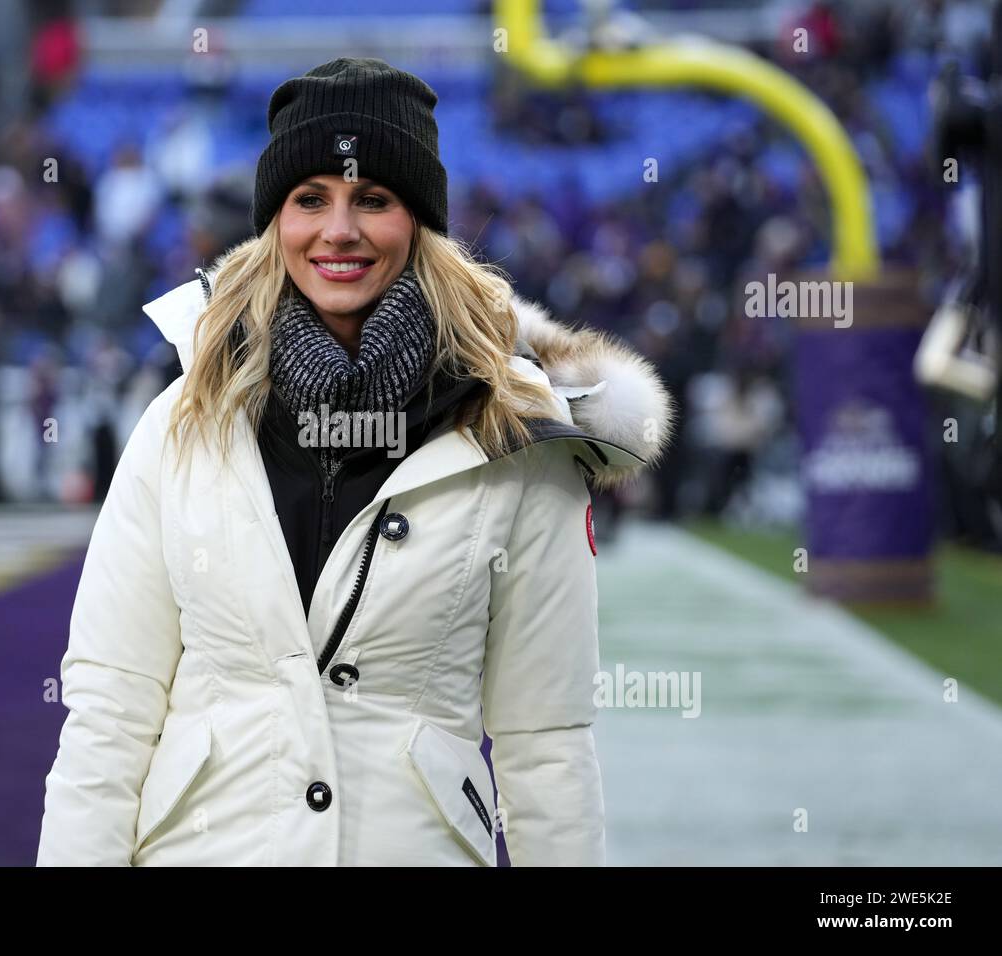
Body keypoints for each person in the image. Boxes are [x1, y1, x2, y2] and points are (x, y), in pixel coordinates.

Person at [38, 58, 674, 867]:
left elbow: (545, 742)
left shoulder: (518, 437)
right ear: (274, 221)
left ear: (421, 223)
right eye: (311, 200)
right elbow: (109, 712)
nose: (339, 230)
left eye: (373, 199)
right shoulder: (181, 423)